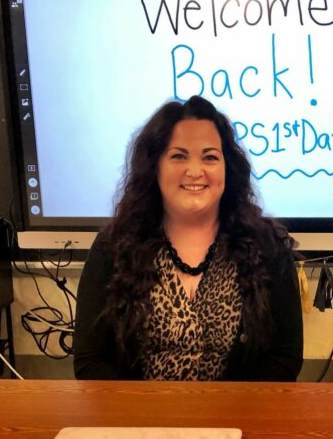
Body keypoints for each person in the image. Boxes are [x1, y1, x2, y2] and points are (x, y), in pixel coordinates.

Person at [73, 95, 303, 381]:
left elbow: (286, 357)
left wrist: (223, 415)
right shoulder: (112, 248)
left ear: (227, 168)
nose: (195, 171)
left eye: (210, 157)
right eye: (179, 156)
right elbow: (90, 361)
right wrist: (151, 417)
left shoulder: (266, 247)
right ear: (154, 166)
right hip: (138, 422)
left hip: (237, 421)